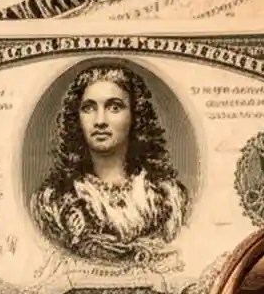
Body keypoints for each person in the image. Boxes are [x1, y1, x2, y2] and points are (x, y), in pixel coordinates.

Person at [29, 64, 189, 265]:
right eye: (89, 108)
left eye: (114, 107)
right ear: (76, 118)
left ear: (135, 115)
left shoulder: (168, 198)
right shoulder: (52, 202)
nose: (100, 121)